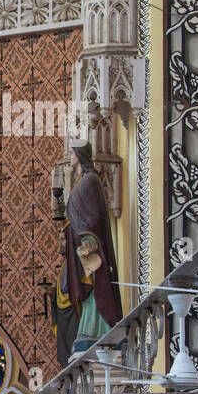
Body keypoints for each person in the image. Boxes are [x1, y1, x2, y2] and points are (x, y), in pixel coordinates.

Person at [62, 142, 122, 353]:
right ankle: (88, 330)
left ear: (79, 155)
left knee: (96, 292)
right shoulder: (82, 180)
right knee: (83, 297)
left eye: (71, 152)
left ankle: (99, 329)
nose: (70, 156)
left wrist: (88, 238)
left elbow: (93, 215)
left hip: (90, 247)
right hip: (81, 247)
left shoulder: (89, 181)